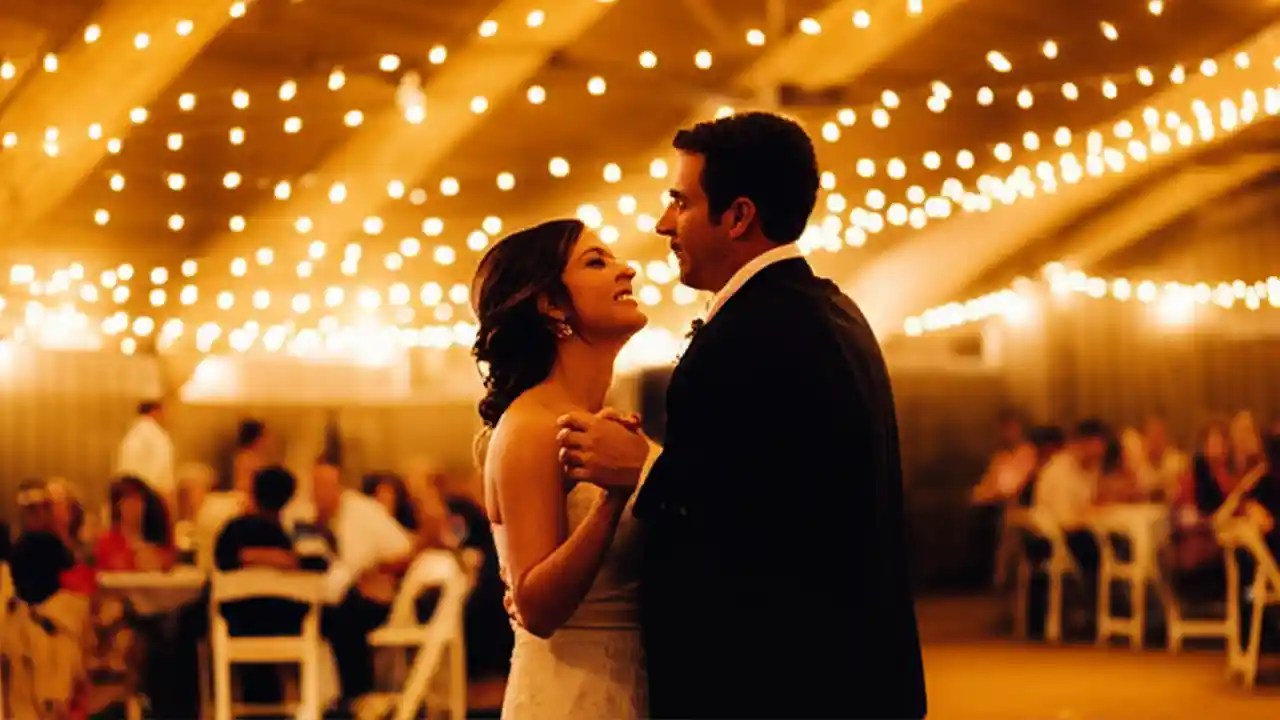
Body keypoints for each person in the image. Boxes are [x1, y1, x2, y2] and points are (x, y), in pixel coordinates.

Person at [554, 112, 926, 718]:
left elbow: (761, 523)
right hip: (850, 672)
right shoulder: (832, 311)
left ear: (738, 216)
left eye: (681, 202)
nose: (663, 223)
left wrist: (645, 470)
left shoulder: (751, 333)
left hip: (778, 683)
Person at [470, 217, 650, 718]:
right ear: (552, 304)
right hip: (573, 692)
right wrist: (614, 499)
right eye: (597, 262)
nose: (626, 270)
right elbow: (536, 607)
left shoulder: (606, 424)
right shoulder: (532, 426)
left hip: (633, 680)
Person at [116, 400, 175, 506]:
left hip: (134, 489)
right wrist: (160, 490)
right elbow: (160, 464)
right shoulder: (154, 434)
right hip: (150, 491)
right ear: (154, 411)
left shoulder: (134, 432)